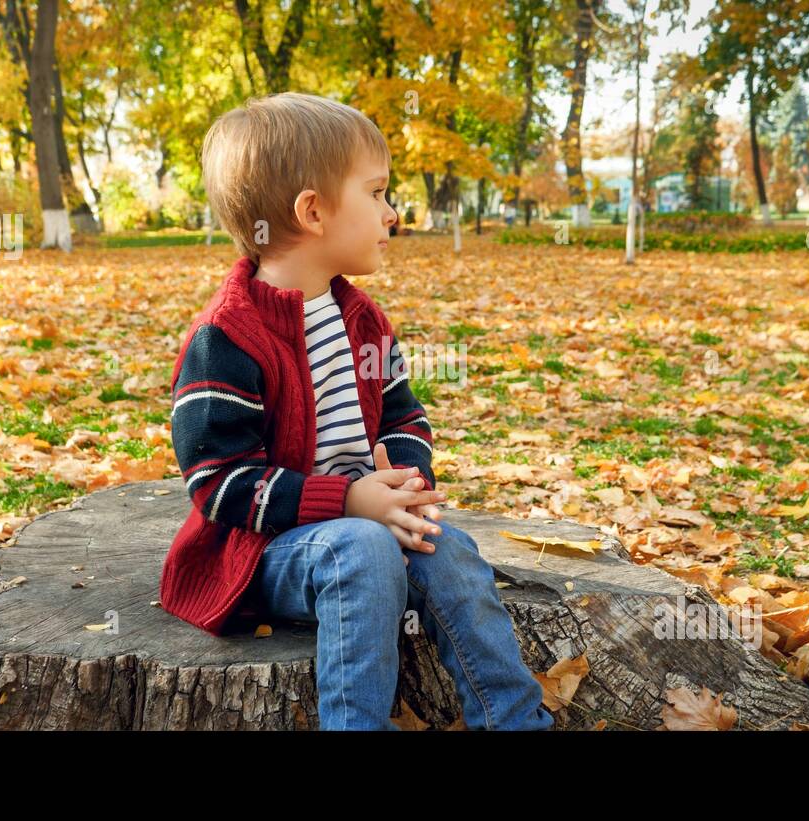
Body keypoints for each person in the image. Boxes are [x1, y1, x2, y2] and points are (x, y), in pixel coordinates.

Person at [161, 92, 554, 731]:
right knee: (362, 549)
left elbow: (404, 417)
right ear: (313, 212)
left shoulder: (363, 321)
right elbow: (220, 485)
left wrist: (401, 488)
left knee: (448, 551)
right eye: (376, 193)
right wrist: (348, 505)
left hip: (363, 527)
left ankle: (514, 721)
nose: (391, 213)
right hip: (260, 555)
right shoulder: (228, 337)